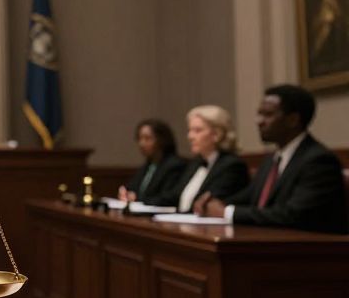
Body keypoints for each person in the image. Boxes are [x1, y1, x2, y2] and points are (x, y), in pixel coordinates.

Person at [196, 85, 347, 233]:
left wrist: (228, 213)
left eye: (268, 115)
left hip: (309, 246)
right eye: (259, 114)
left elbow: (294, 215)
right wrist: (213, 203)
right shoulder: (272, 159)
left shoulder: (319, 161)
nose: (259, 121)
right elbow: (250, 195)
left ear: (293, 120)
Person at [157, 105, 249, 212]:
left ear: (216, 134)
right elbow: (174, 197)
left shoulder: (232, 166)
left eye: (197, 130)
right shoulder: (195, 163)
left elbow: (208, 204)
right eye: (190, 130)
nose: (190, 136)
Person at [118, 118, 185, 204]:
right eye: (139, 138)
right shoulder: (148, 166)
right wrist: (125, 193)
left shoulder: (174, 166)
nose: (141, 143)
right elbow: (132, 188)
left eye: (147, 138)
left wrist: (137, 198)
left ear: (162, 140)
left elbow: (167, 198)